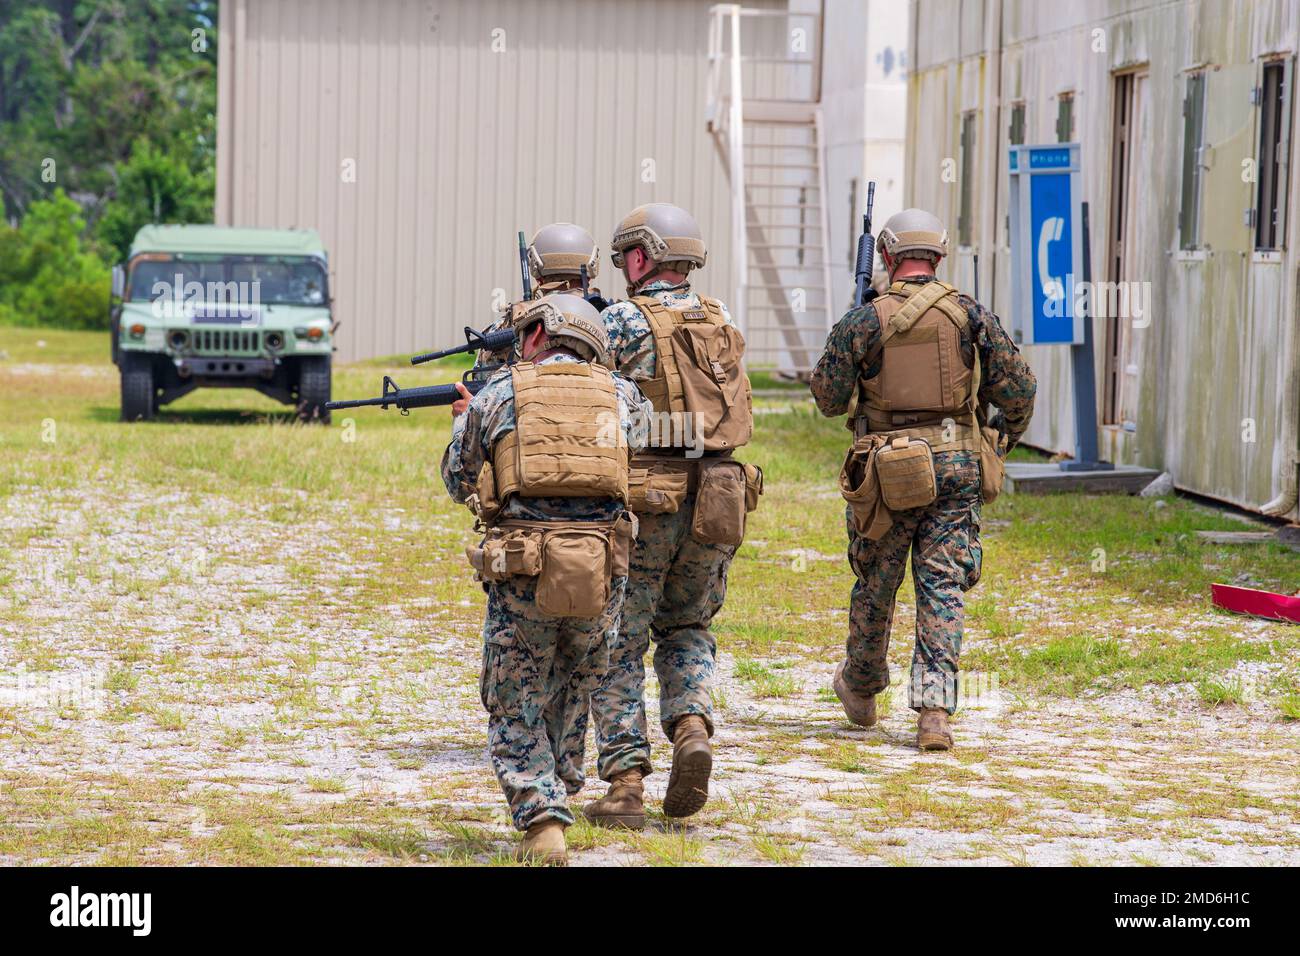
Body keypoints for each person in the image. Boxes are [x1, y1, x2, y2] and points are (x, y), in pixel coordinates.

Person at [809, 208, 1036, 750]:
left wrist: (853, 328)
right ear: (938, 255)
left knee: (876, 582)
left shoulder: (865, 319)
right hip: (956, 465)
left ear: (887, 256)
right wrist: (998, 440)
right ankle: (935, 712)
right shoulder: (969, 313)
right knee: (943, 585)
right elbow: (1019, 389)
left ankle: (861, 688)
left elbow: (826, 398)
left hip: (888, 470)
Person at [441, 293, 651, 864]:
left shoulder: (501, 393)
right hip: (603, 569)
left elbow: (458, 478)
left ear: (538, 336)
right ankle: (561, 779)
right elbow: (645, 463)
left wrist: (464, 425)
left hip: (524, 569)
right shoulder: (626, 396)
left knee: (515, 696)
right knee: (576, 679)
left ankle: (540, 815)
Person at [583, 203, 760, 828]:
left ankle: (626, 784)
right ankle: (690, 728)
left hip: (648, 496)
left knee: (619, 640)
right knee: (686, 626)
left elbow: (591, 400)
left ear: (640, 257)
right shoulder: (721, 316)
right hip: (719, 494)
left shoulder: (623, 323)